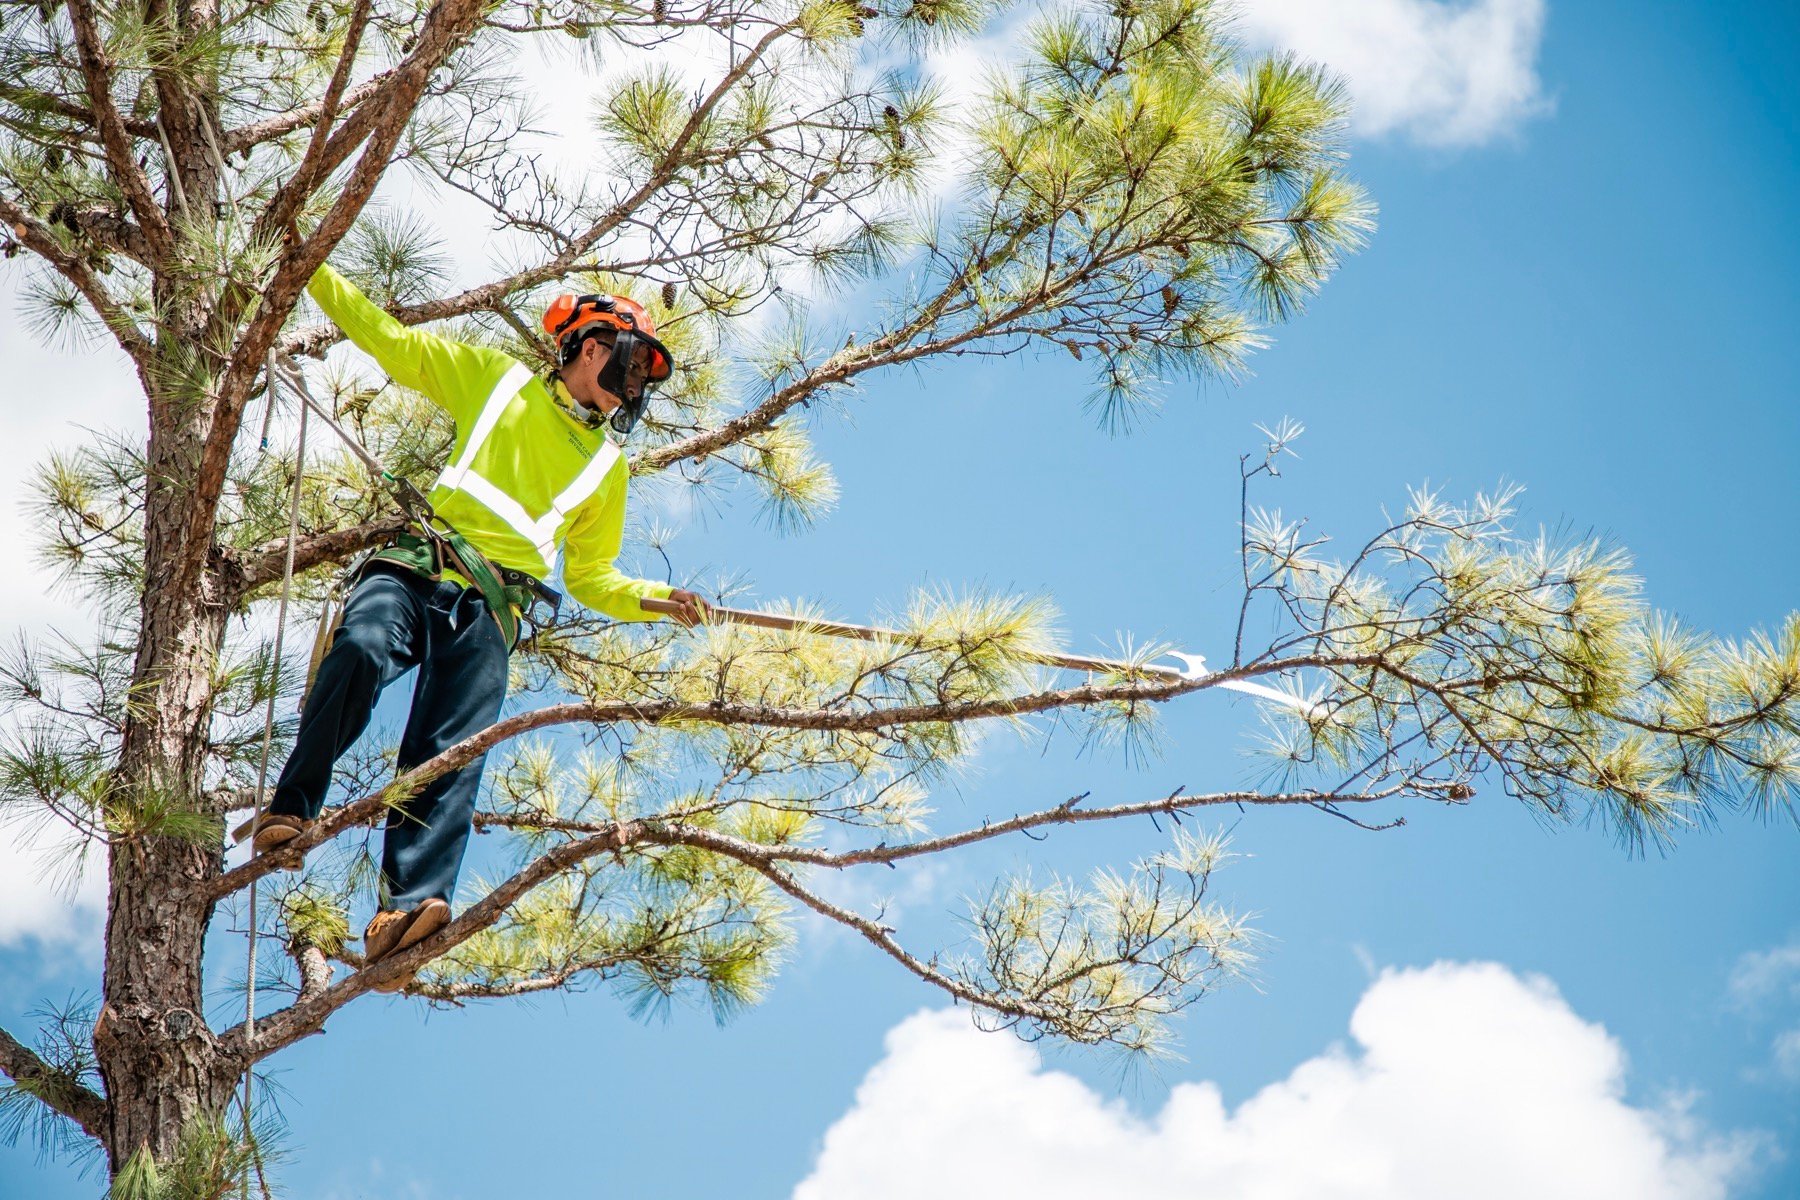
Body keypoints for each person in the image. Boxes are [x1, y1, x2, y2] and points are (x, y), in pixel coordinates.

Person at [237, 265, 707, 990]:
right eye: (635, 361)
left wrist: (656, 597)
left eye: (648, 372)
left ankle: (403, 912)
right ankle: (292, 809)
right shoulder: (495, 381)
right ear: (592, 345)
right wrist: (311, 265)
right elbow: (390, 342)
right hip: (417, 563)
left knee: (448, 753)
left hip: (492, 606)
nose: (638, 382)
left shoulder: (606, 470)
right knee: (358, 650)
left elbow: (592, 578)